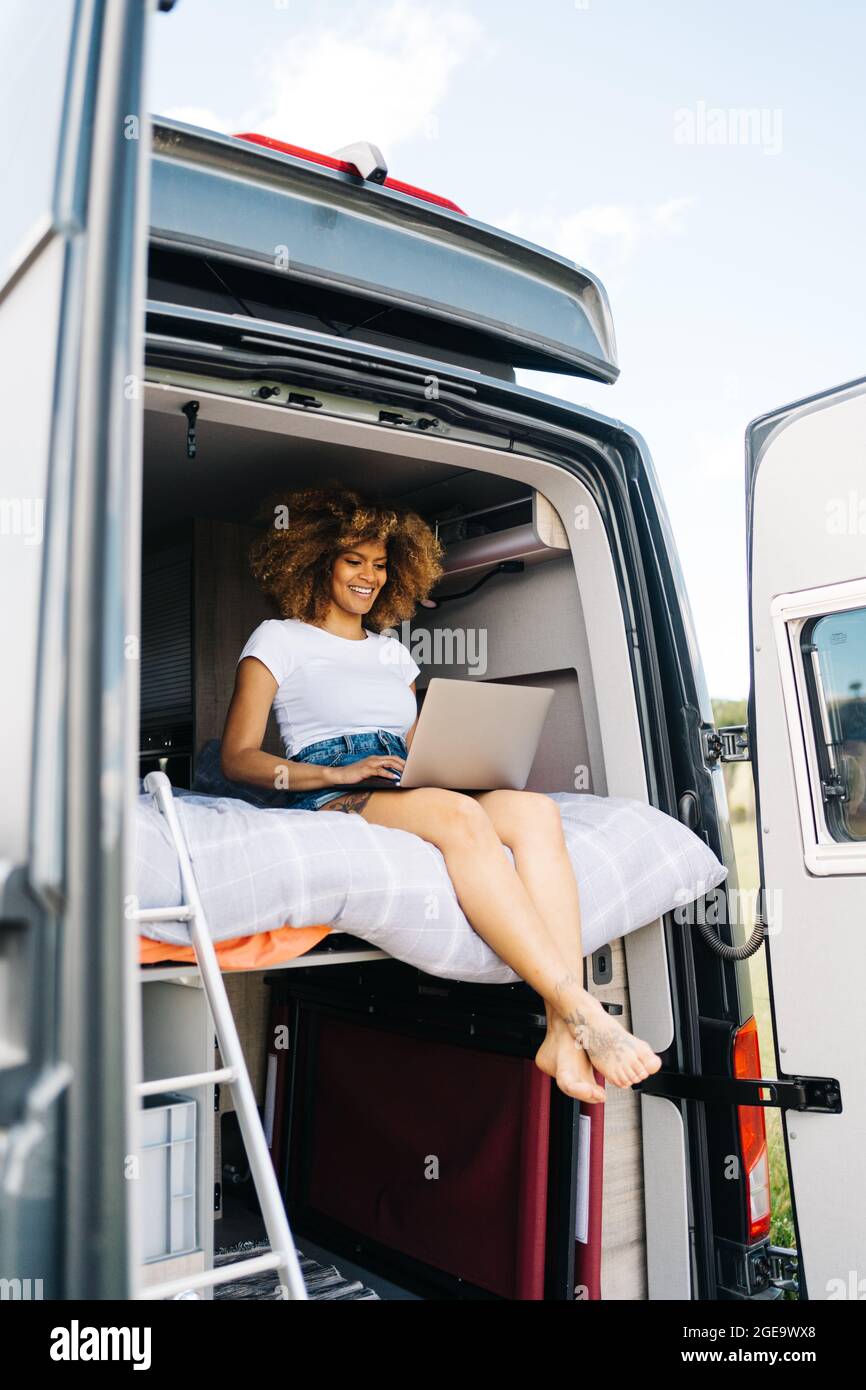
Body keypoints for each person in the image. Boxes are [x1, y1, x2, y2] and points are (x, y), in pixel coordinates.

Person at [221, 485, 662, 1104]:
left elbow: (411, 740)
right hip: (326, 783)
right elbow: (238, 758)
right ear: (317, 559)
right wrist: (337, 776)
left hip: (402, 776)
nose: (370, 577)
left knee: (535, 811)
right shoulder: (277, 639)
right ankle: (580, 1010)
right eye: (355, 561)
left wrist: (448, 755)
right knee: (458, 817)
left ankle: (561, 1034)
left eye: (380, 564)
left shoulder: (393, 652)